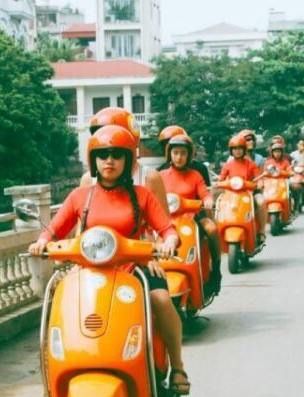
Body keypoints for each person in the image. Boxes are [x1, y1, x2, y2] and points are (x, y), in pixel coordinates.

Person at [30, 125, 190, 396]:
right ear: (94, 160)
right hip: (89, 272)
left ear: (128, 160)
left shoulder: (142, 195)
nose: (110, 161)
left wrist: (169, 243)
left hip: (134, 269)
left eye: (117, 155)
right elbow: (54, 228)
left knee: (161, 299)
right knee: (60, 305)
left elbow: (167, 229)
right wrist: (42, 242)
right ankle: (54, 369)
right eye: (103, 155)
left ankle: (177, 366)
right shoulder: (81, 196)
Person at [159, 133, 222, 295]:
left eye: (183, 153)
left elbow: (204, 192)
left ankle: (216, 267)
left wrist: (207, 200)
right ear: (169, 154)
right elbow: (152, 197)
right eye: (175, 153)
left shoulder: (195, 175)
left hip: (193, 216)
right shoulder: (161, 176)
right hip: (166, 219)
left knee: (211, 229)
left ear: (189, 155)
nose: (179, 157)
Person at [79, 107, 170, 217]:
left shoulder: (149, 178)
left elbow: (165, 224)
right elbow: (81, 226)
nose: (106, 141)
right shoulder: (88, 180)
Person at [217, 134, 266, 244]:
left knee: (261, 201)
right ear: (231, 150)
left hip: (249, 193)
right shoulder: (228, 165)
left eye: (240, 148)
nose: (237, 151)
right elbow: (221, 179)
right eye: (234, 149)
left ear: (244, 149)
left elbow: (258, 177)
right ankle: (221, 232)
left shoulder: (251, 164)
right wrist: (219, 183)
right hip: (231, 195)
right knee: (220, 204)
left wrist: (260, 183)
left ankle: (261, 231)